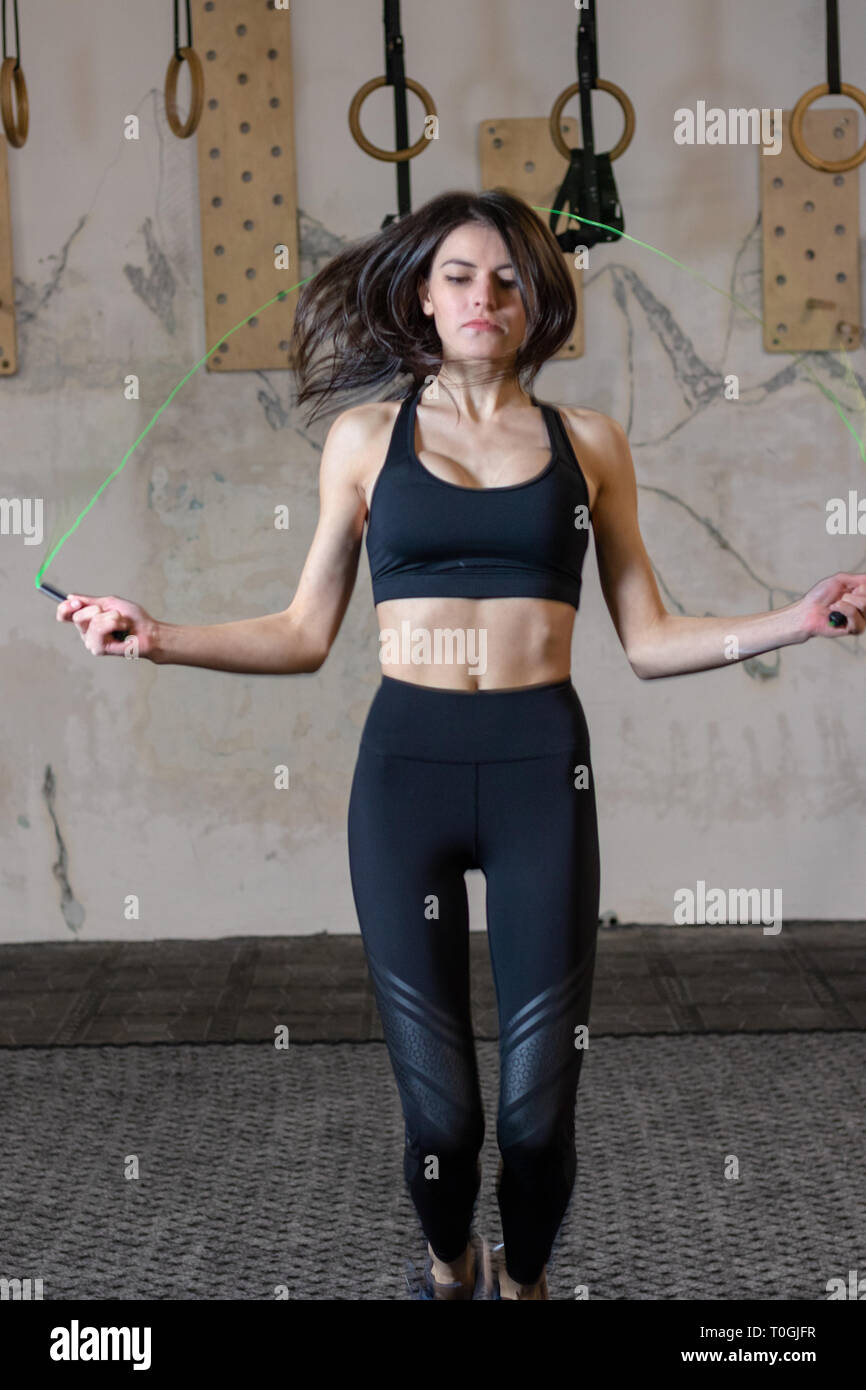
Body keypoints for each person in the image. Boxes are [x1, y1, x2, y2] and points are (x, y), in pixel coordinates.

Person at [56, 189, 866, 1300]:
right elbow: (301, 635)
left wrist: (796, 617)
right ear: (420, 297)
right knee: (442, 1121)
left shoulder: (589, 444)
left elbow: (648, 637)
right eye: (456, 276)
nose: (481, 296)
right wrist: (155, 636)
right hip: (406, 778)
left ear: (537, 301)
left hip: (541, 772)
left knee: (534, 1119)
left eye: (504, 278)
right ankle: (451, 1267)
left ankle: (525, 1282)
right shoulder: (362, 441)